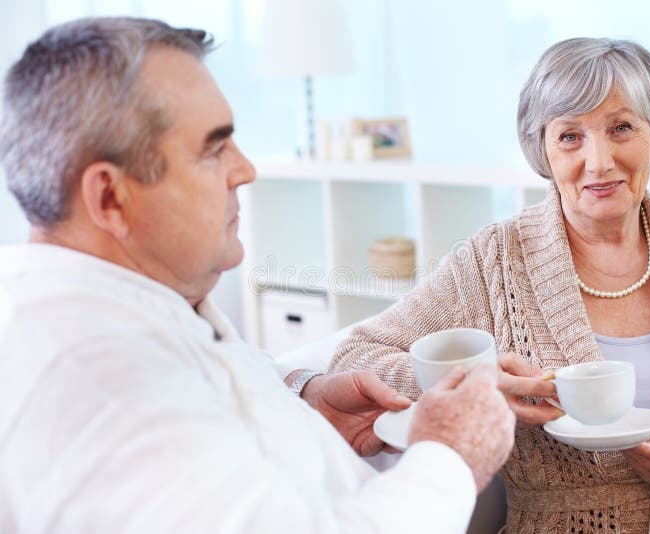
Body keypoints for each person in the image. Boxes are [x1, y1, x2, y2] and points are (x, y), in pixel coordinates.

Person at [0, 17, 517, 533]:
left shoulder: (131, 301)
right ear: (111, 197)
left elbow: (215, 407)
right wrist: (451, 455)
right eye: (213, 148)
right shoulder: (102, 380)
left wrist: (305, 403)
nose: (245, 170)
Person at [330, 37, 650, 532]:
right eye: (570, 136)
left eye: (621, 128)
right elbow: (355, 357)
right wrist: (473, 383)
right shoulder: (494, 262)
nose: (598, 161)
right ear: (543, 151)